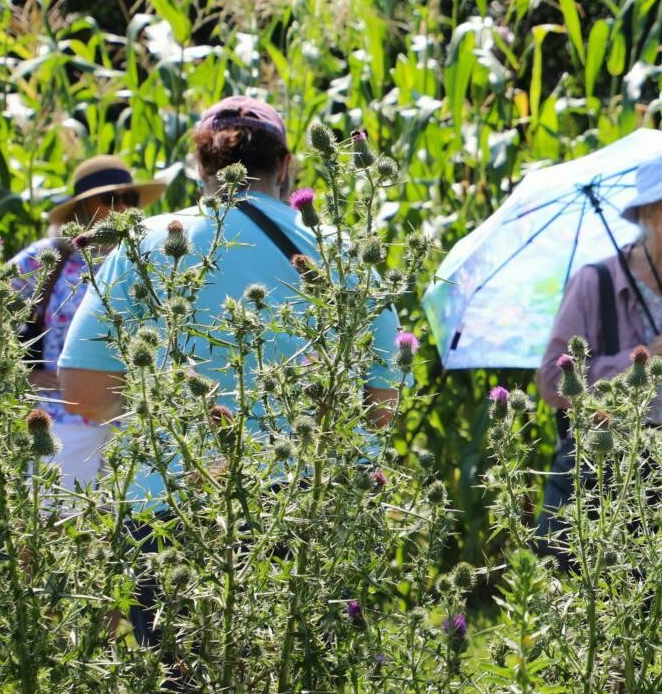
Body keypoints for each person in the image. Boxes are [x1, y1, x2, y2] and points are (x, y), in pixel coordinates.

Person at [59, 96, 404, 641]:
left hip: (169, 504)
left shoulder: (145, 242)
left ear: (201, 168)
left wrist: (173, 417)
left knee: (179, 672)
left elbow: (81, 392)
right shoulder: (345, 256)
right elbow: (380, 407)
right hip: (306, 503)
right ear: (285, 166)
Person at [533, 151, 662, 535]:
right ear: (647, 213)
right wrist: (638, 366)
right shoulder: (595, 283)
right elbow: (552, 381)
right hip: (606, 483)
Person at [5, 155, 167, 490]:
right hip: (64, 422)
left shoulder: (152, 257)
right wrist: (22, 373)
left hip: (137, 423)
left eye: (130, 199)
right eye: (109, 199)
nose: (121, 207)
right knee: (58, 526)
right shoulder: (49, 258)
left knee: (133, 532)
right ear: (81, 208)